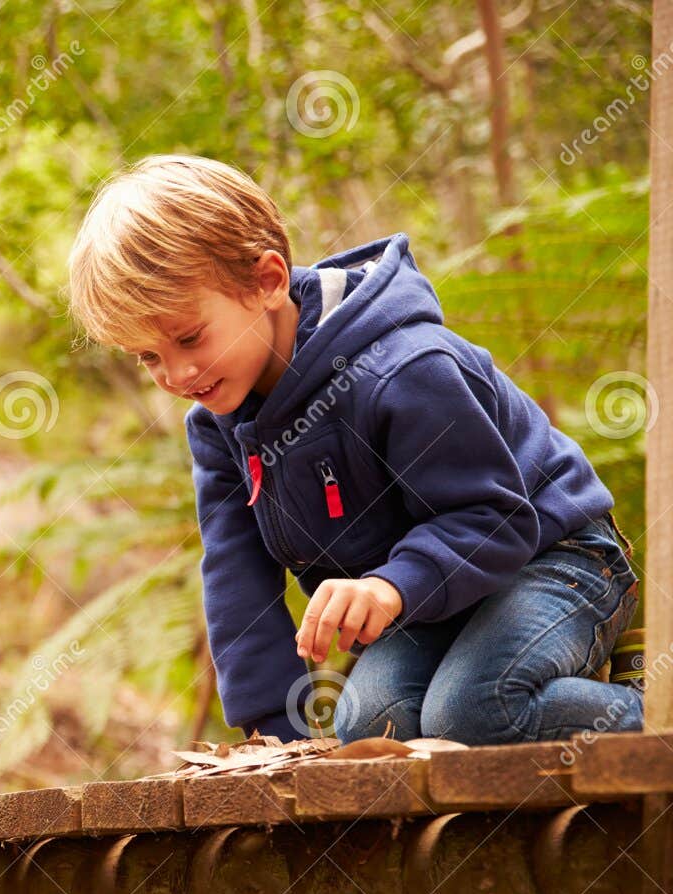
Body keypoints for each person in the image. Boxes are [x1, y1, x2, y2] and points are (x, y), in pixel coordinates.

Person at [65, 154, 641, 745]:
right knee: (370, 728)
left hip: (550, 559)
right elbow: (235, 571)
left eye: (189, 337)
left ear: (266, 281)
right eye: (148, 356)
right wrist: (274, 731)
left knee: (472, 711)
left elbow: (497, 517)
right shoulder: (218, 424)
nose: (177, 373)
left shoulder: (405, 369)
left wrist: (389, 586)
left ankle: (651, 712)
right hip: (422, 601)